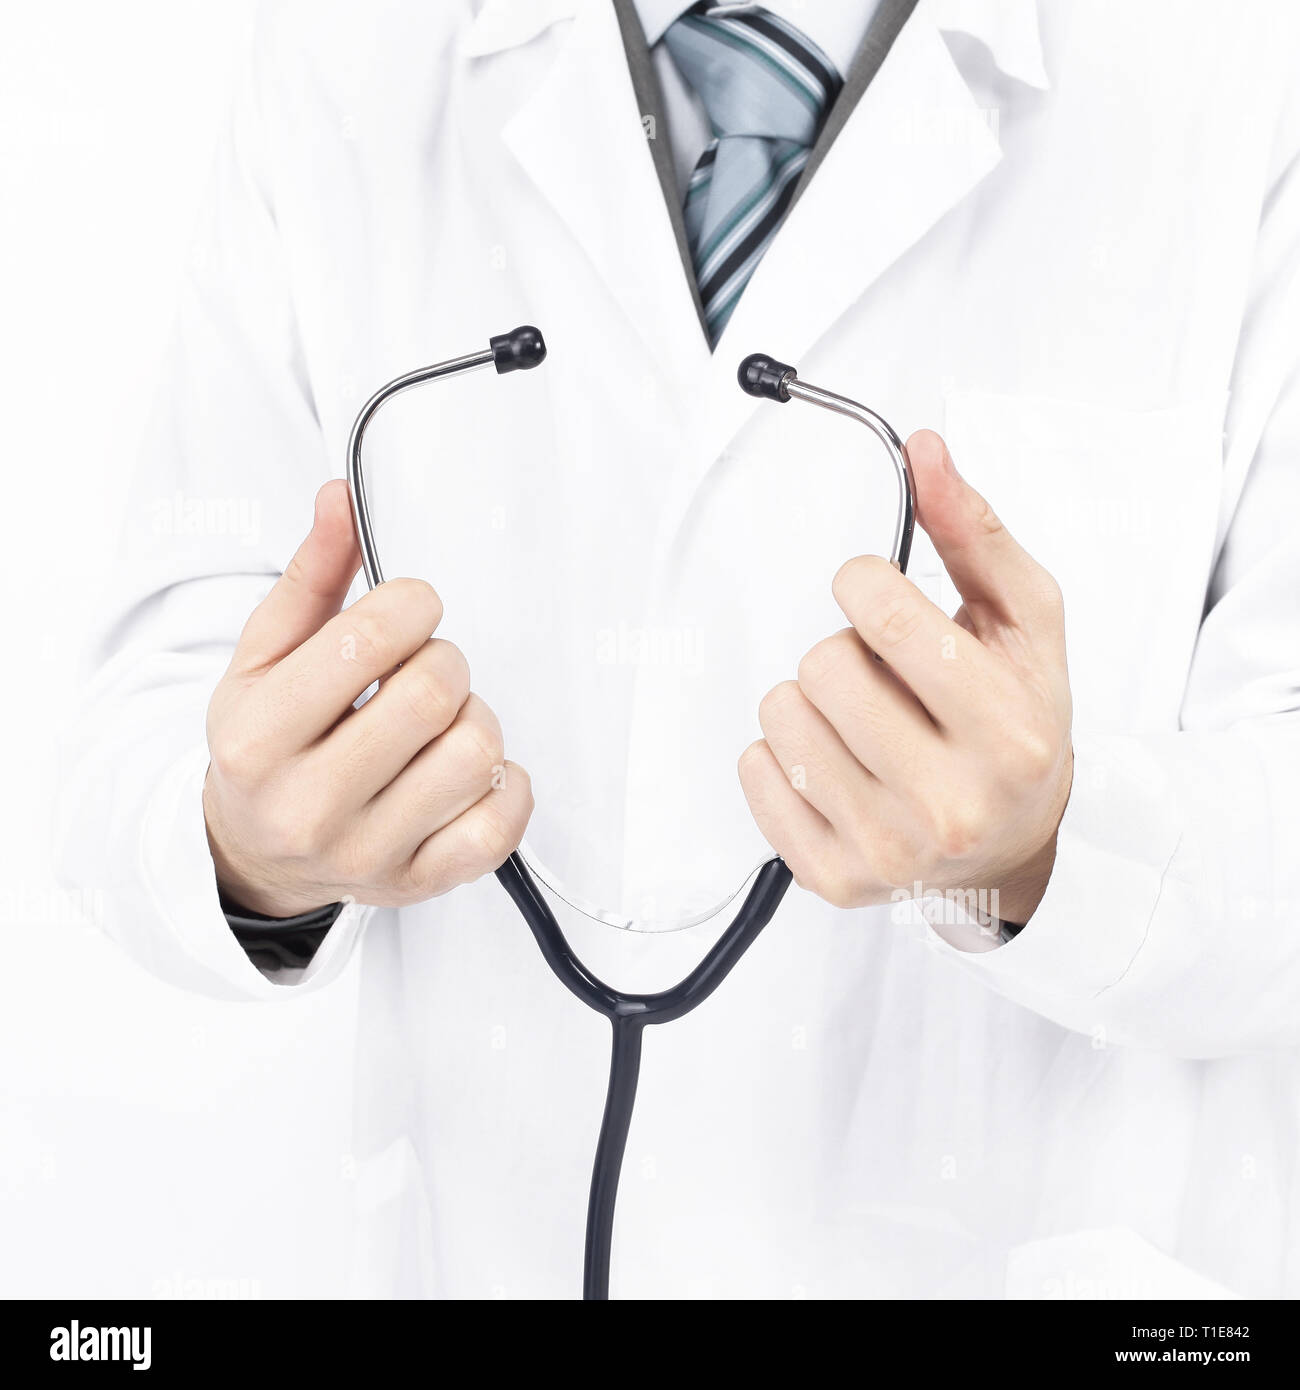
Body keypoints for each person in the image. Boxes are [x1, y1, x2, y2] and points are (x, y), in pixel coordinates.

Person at [63, 0, 1300, 1298]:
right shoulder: (346, 58)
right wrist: (250, 851)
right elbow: (140, 729)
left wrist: (1052, 851)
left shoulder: (1242, 76)